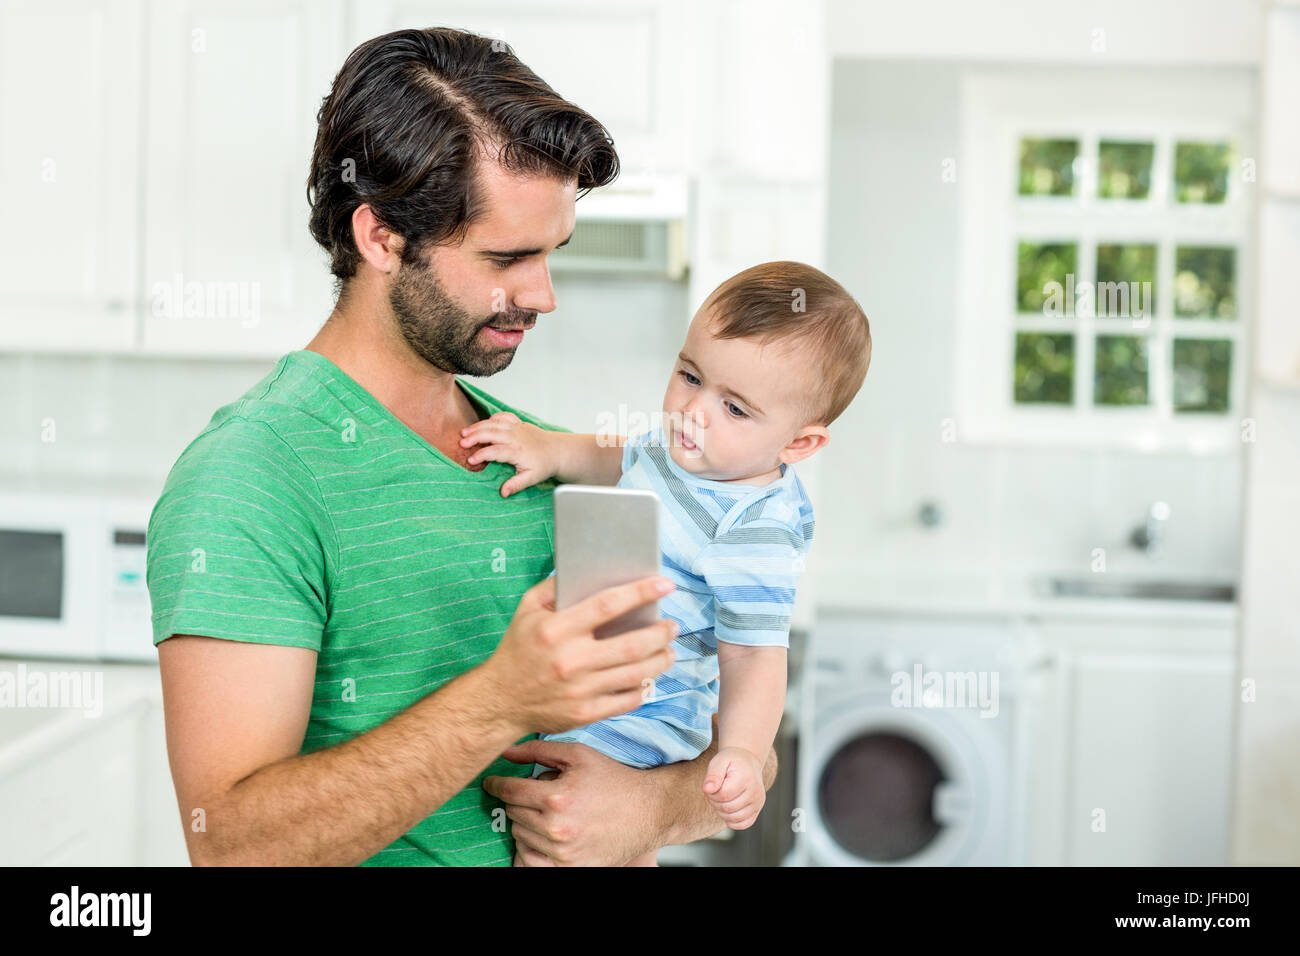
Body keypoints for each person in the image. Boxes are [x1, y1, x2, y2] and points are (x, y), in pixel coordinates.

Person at [145, 26, 776, 867]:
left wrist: (652, 807)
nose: (544, 295)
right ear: (380, 239)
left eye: (553, 254)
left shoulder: (536, 455)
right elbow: (229, 846)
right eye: (508, 257)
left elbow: (736, 738)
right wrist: (502, 700)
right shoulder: (252, 479)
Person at [461, 261, 872, 865]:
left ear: (799, 443)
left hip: (642, 715)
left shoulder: (755, 526)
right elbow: (620, 455)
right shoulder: (684, 447)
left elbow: (754, 656)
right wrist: (548, 448)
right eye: (689, 376)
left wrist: (741, 754)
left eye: (735, 408)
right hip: (591, 683)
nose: (694, 411)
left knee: (562, 844)